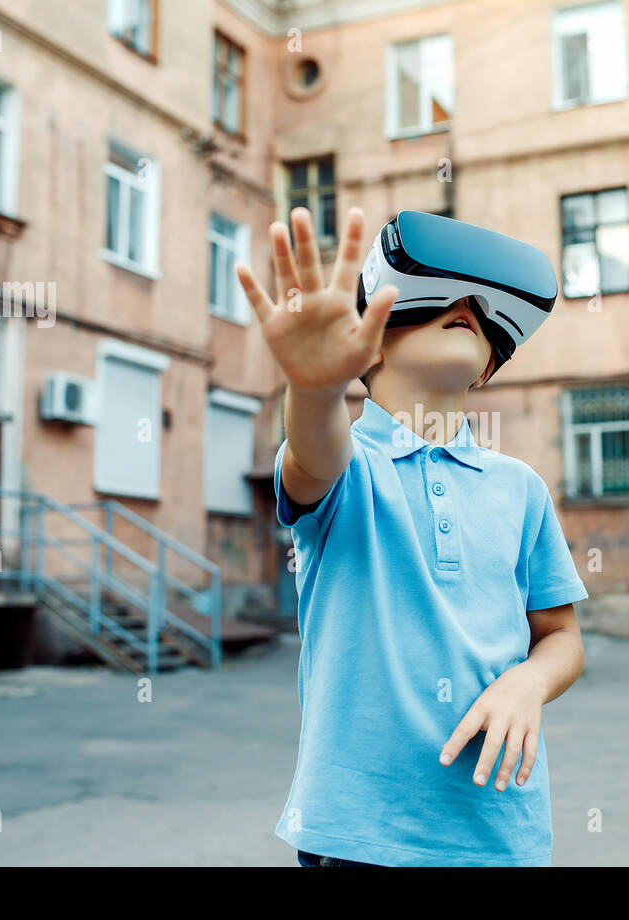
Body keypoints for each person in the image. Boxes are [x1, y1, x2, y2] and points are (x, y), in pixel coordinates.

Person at [235, 205, 587, 866]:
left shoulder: (521, 488)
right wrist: (312, 388)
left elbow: (562, 637)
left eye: (483, 315)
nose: (466, 308)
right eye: (440, 304)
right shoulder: (347, 470)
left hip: (500, 835)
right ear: (371, 345)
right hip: (359, 839)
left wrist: (529, 683)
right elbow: (311, 456)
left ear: (486, 368)